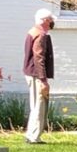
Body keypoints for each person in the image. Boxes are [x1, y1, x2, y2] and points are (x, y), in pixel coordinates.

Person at [22, 8, 55, 144]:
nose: (52, 22)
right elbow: (39, 57)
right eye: (50, 20)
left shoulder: (32, 32)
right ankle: (34, 136)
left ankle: (31, 134)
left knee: (36, 104)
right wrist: (43, 79)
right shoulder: (40, 35)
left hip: (32, 73)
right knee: (38, 105)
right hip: (36, 75)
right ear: (45, 21)